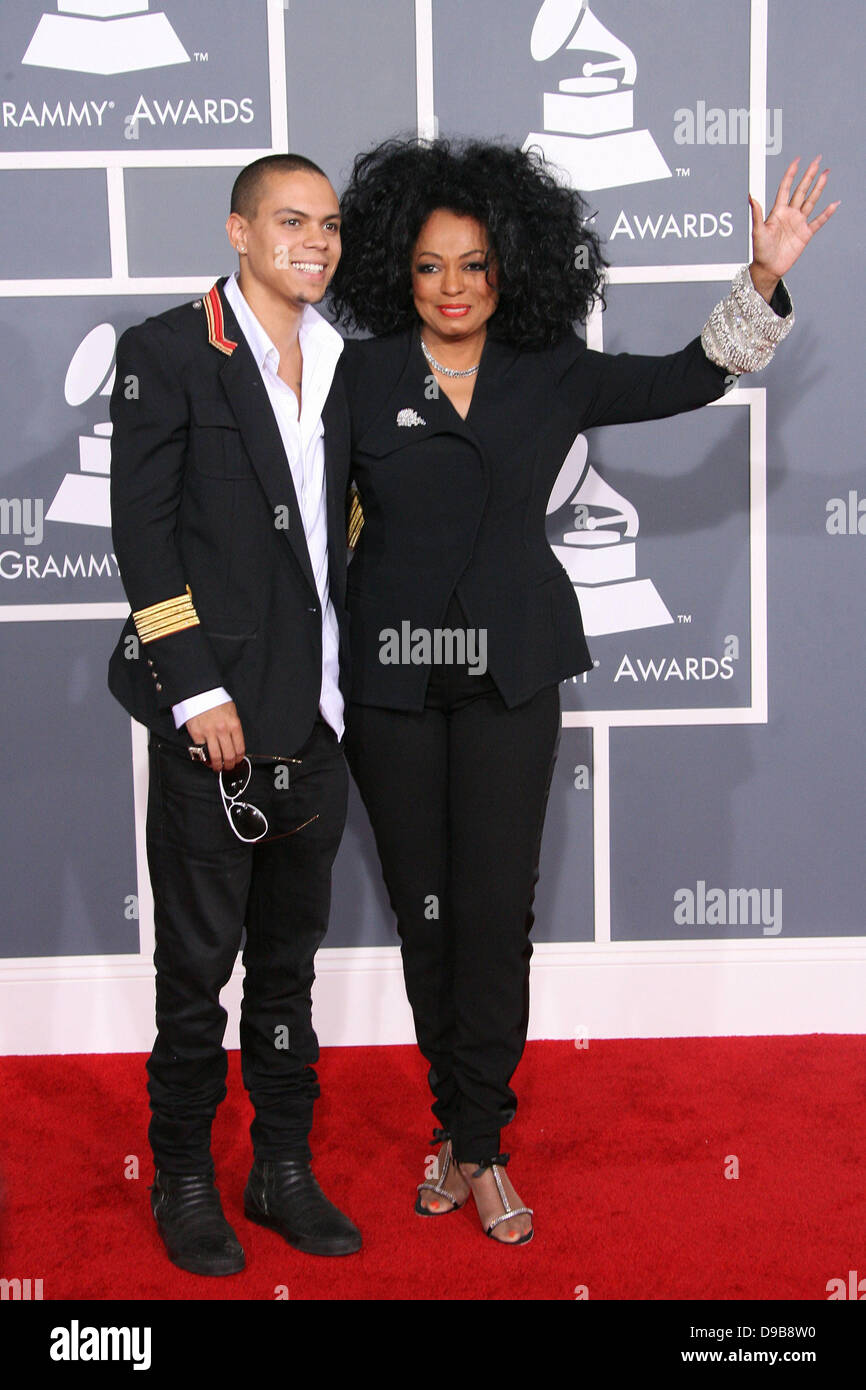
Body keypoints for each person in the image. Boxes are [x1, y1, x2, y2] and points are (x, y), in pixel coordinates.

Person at [330, 139, 837, 1244]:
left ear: (510, 266)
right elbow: (314, 523)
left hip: (511, 673)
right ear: (395, 273)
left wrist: (759, 280)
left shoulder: (547, 365)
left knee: (491, 913)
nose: (453, 286)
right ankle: (454, 1125)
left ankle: (479, 1145)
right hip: (392, 684)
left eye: (473, 263)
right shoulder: (357, 377)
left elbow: (683, 378)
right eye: (428, 267)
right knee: (425, 918)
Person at [107, 153, 361, 1275]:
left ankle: (282, 1168)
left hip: (321, 721)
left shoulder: (348, 363)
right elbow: (143, 537)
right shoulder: (168, 352)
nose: (315, 241)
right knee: (195, 972)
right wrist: (195, 689)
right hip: (212, 720)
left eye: (331, 224)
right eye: (291, 220)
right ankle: (184, 1178)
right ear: (238, 231)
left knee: (288, 975)